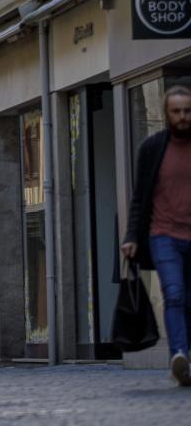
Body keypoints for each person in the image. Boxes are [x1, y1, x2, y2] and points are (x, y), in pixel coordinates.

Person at [122, 85, 191, 387]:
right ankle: (179, 356)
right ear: (166, 114)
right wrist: (131, 236)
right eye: (176, 111)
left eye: (187, 111)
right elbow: (140, 198)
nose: (183, 117)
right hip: (163, 235)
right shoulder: (152, 149)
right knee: (174, 295)